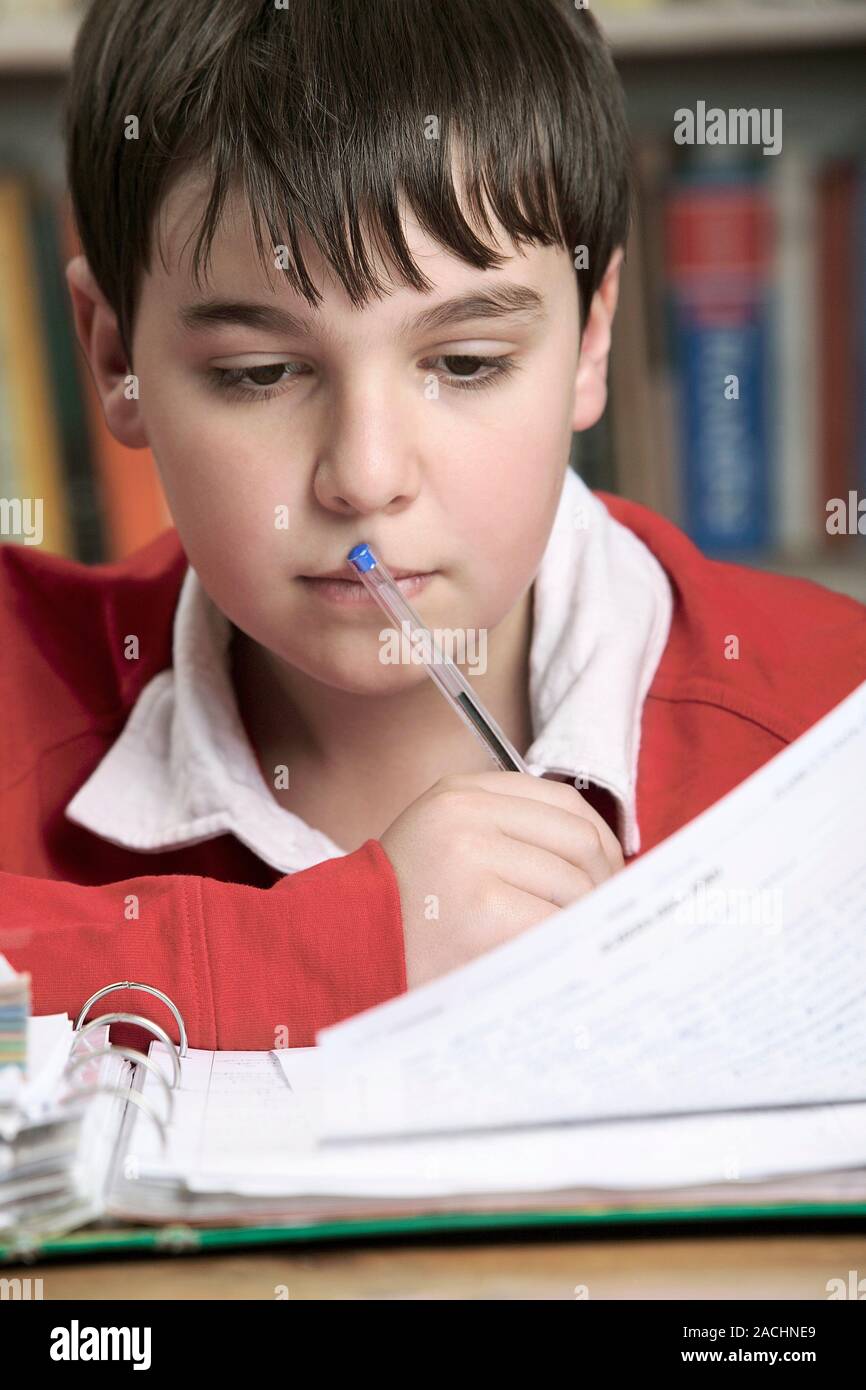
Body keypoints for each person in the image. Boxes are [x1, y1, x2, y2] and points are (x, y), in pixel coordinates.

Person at [2, 0, 863, 1049]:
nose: (365, 477)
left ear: (590, 341)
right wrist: (349, 946)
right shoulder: (24, 680)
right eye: (259, 373)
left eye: (465, 364)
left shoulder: (828, 725)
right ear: (112, 359)